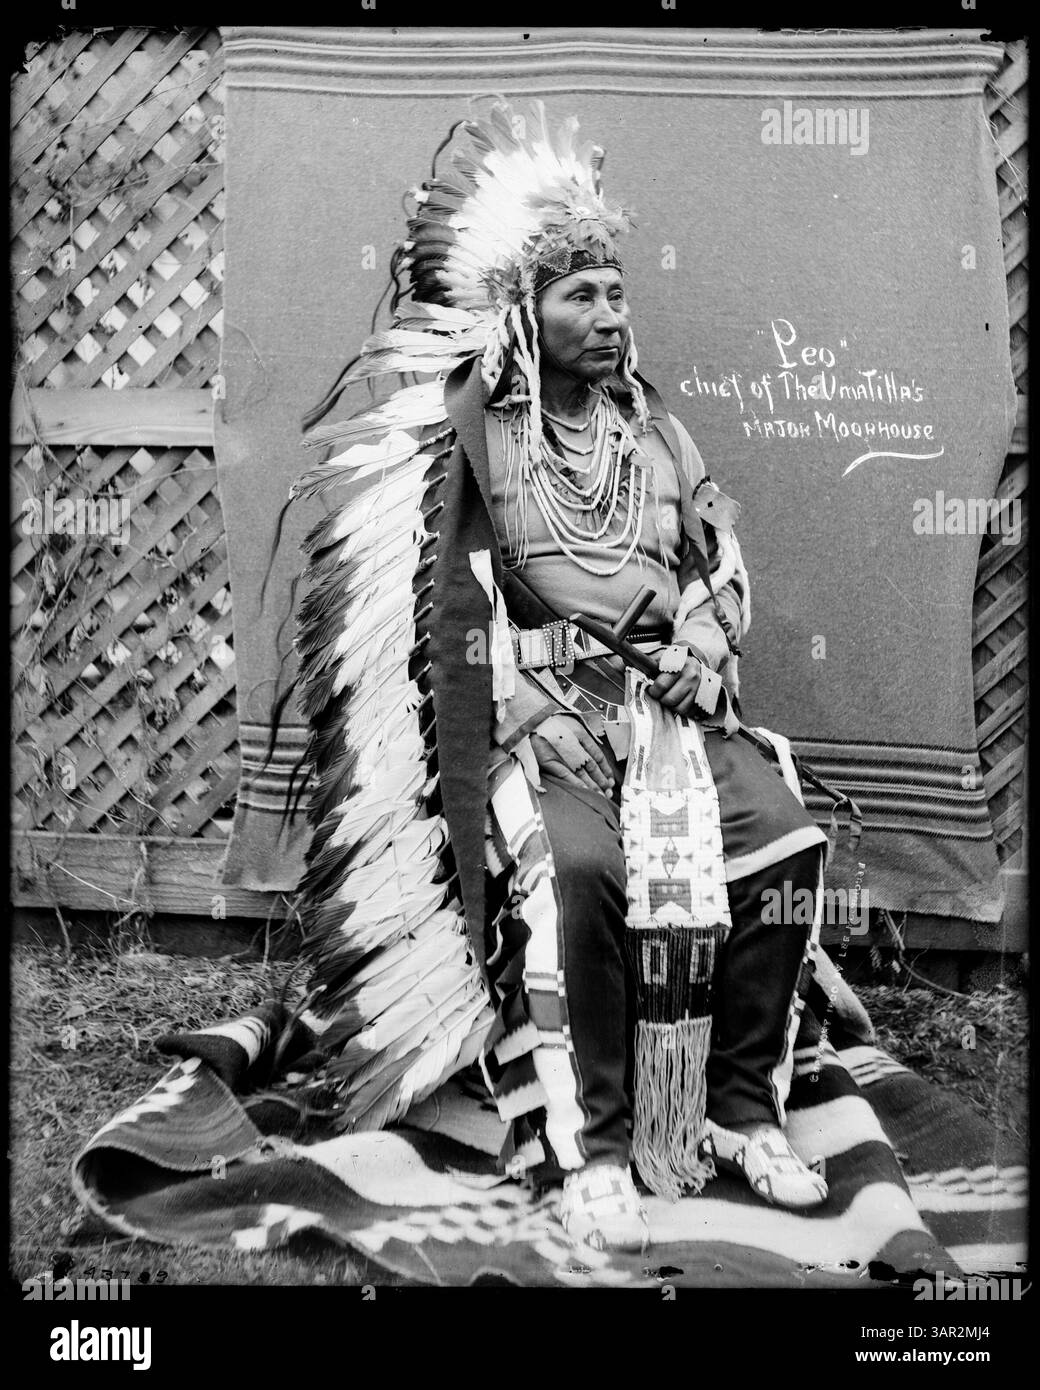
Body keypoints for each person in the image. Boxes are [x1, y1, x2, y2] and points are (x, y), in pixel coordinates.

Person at [292, 98, 833, 1257]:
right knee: (579, 872)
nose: (607, 313)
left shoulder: (658, 435)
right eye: (579, 294)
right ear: (527, 317)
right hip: (545, 726)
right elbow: (448, 606)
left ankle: (740, 1110)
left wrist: (706, 630)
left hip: (668, 718)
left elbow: (718, 546)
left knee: (781, 836)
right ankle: (586, 1145)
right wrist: (528, 705)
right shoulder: (483, 439)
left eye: (616, 292)